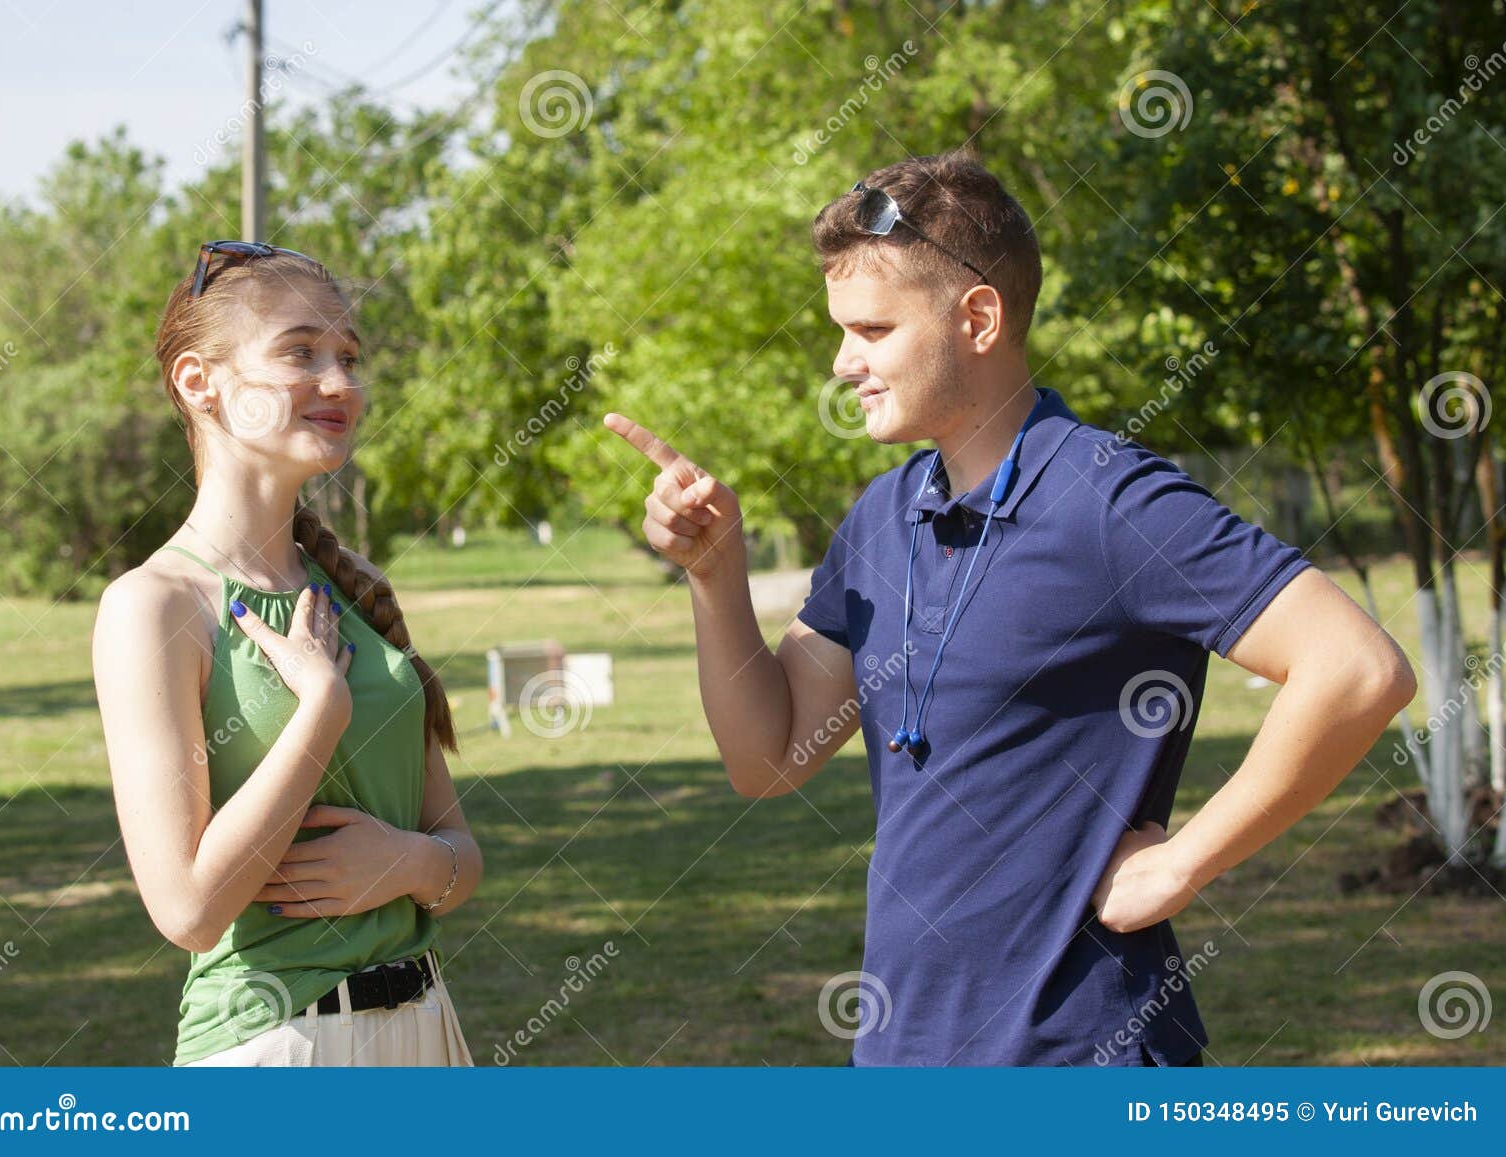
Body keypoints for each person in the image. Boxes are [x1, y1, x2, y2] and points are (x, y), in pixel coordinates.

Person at [604, 151, 1417, 1066]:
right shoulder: (880, 517)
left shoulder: (1111, 499)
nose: (842, 363)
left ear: (978, 318)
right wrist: (716, 576)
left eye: (871, 329)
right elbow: (770, 758)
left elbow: (1356, 668)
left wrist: (1186, 860)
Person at [91, 241, 479, 1066]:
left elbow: (460, 855)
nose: (339, 384)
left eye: (348, 357)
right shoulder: (152, 607)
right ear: (201, 383)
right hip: (278, 1051)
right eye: (301, 352)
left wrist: (408, 861)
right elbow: (189, 908)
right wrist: (321, 713)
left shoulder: (355, 590)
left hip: (428, 1032)